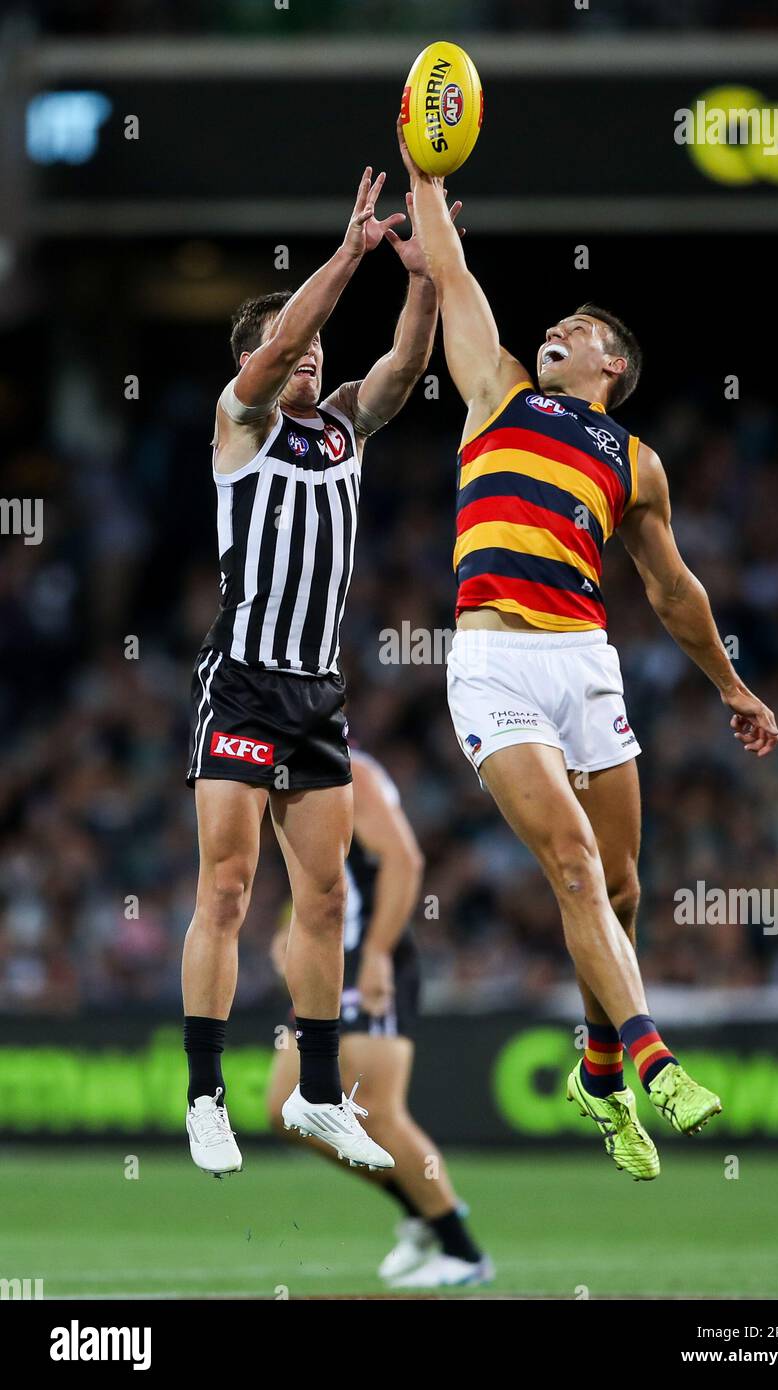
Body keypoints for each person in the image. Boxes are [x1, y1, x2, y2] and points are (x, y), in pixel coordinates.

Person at [398, 122, 778, 1180]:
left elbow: (670, 588)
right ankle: (653, 1059)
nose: (557, 325)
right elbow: (456, 273)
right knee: (568, 861)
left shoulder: (635, 462)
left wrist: (731, 686)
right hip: (492, 665)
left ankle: (596, 1073)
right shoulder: (495, 393)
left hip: (585, 666)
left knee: (617, 889)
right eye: (556, 321)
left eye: (579, 326)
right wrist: (426, 173)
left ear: (612, 365)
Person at [183, 167, 458, 1177]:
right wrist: (345, 253)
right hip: (246, 680)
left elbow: (402, 361)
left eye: (312, 353)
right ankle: (206, 1094)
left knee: (329, 900)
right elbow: (275, 354)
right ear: (259, 357)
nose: (306, 361)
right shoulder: (240, 420)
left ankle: (318, 1090)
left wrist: (423, 278)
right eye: (288, 348)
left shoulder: (342, 424)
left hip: (316, 692)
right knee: (225, 883)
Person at [267, 748, 492, 1288]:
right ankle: (418, 1205)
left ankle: (462, 1251)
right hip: (326, 967)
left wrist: (375, 953)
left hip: (370, 964)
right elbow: (320, 873)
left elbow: (403, 859)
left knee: (374, 1112)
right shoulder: (285, 773)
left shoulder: (349, 770)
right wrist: (288, 934)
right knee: (285, 1109)